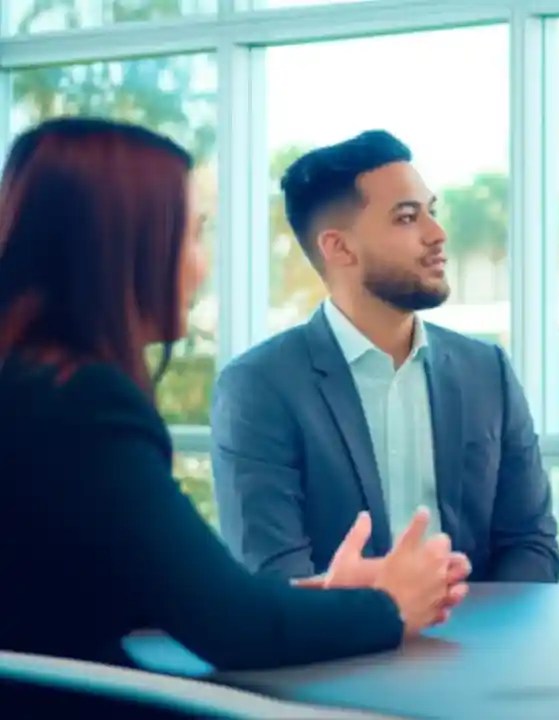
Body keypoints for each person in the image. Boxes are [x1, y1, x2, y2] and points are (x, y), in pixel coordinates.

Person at [0, 117, 469, 671]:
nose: (201, 267)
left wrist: (330, 595)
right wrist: (389, 608)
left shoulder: (29, 386)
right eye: (191, 234)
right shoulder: (84, 407)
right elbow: (235, 628)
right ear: (122, 246)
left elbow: (163, 587)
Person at [211, 130, 559, 584]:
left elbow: (532, 544)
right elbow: (274, 571)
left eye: (431, 212)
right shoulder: (259, 386)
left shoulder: (486, 371)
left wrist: (468, 627)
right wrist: (390, 616)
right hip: (335, 650)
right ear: (339, 248)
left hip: (479, 645)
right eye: (407, 217)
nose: (437, 234)